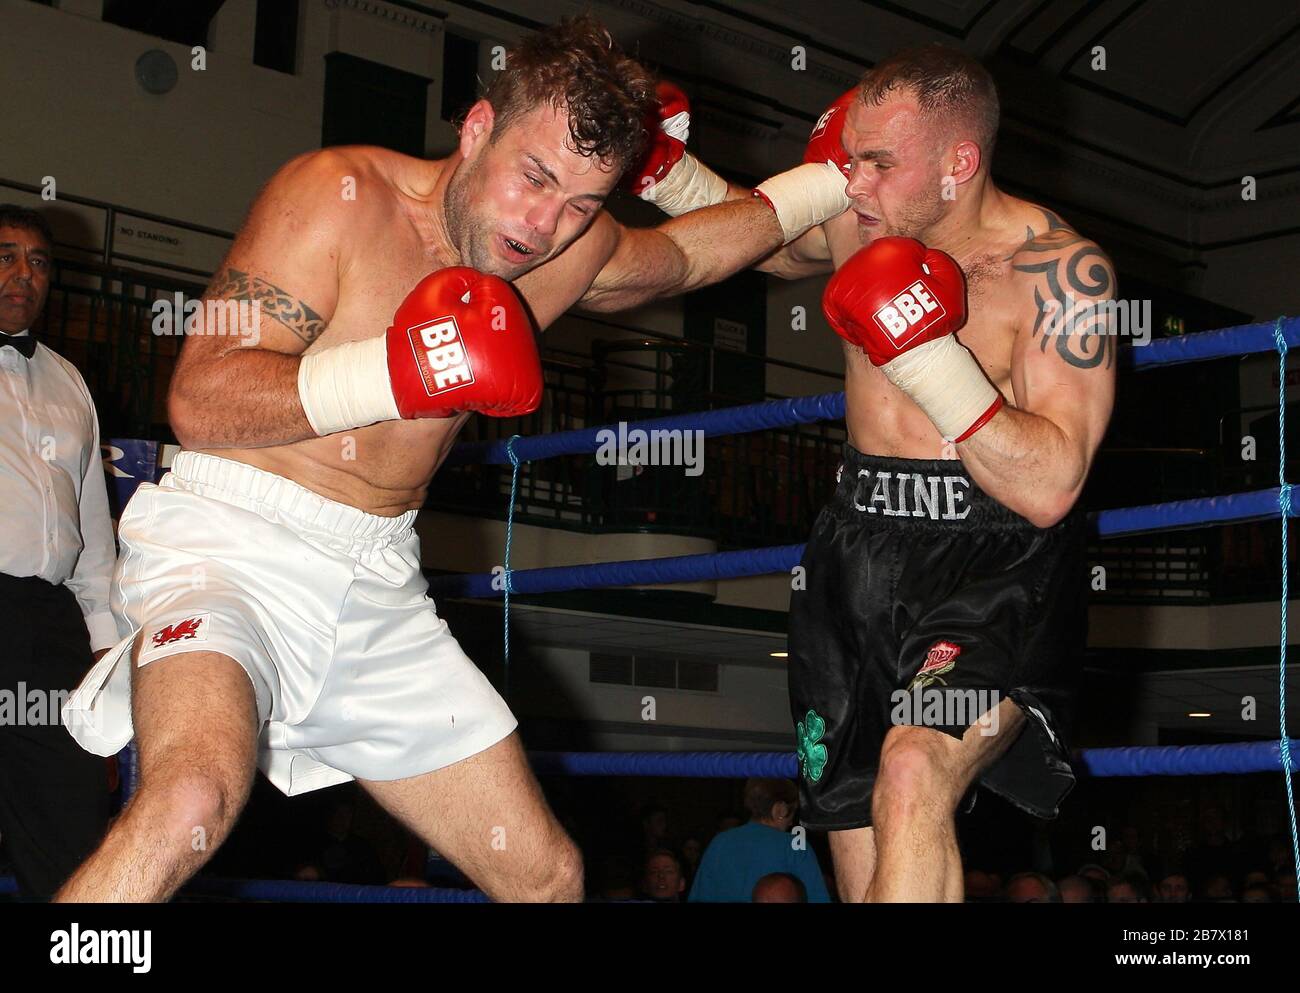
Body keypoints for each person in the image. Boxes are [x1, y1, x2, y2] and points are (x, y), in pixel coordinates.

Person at [55, 15, 848, 903]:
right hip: (231, 546)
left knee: (546, 876)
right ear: (477, 131)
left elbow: (686, 259)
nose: (543, 225)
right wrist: (398, 371)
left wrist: (836, 177)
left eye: (582, 202)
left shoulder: (568, 248)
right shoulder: (338, 193)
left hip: (376, 578)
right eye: (534, 176)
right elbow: (200, 399)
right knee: (191, 797)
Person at [641, 45, 1115, 903]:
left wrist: (931, 356)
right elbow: (776, 242)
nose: (850, 183)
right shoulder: (871, 216)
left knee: (913, 765)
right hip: (853, 549)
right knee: (863, 854)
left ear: (959, 163)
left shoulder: (1063, 274)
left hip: (990, 564)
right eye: (850, 156)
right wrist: (667, 172)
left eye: (879, 163)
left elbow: (1052, 482)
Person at [0, 205, 113, 899]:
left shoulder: (70, 382)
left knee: (71, 824)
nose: (23, 274)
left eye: (38, 262)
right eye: (6, 255)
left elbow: (94, 527)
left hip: (49, 624)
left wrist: (104, 642)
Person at [688, 778, 831, 902]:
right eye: (792, 812)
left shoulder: (720, 842)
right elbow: (817, 898)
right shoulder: (796, 846)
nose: (791, 822)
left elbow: (699, 896)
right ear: (779, 810)